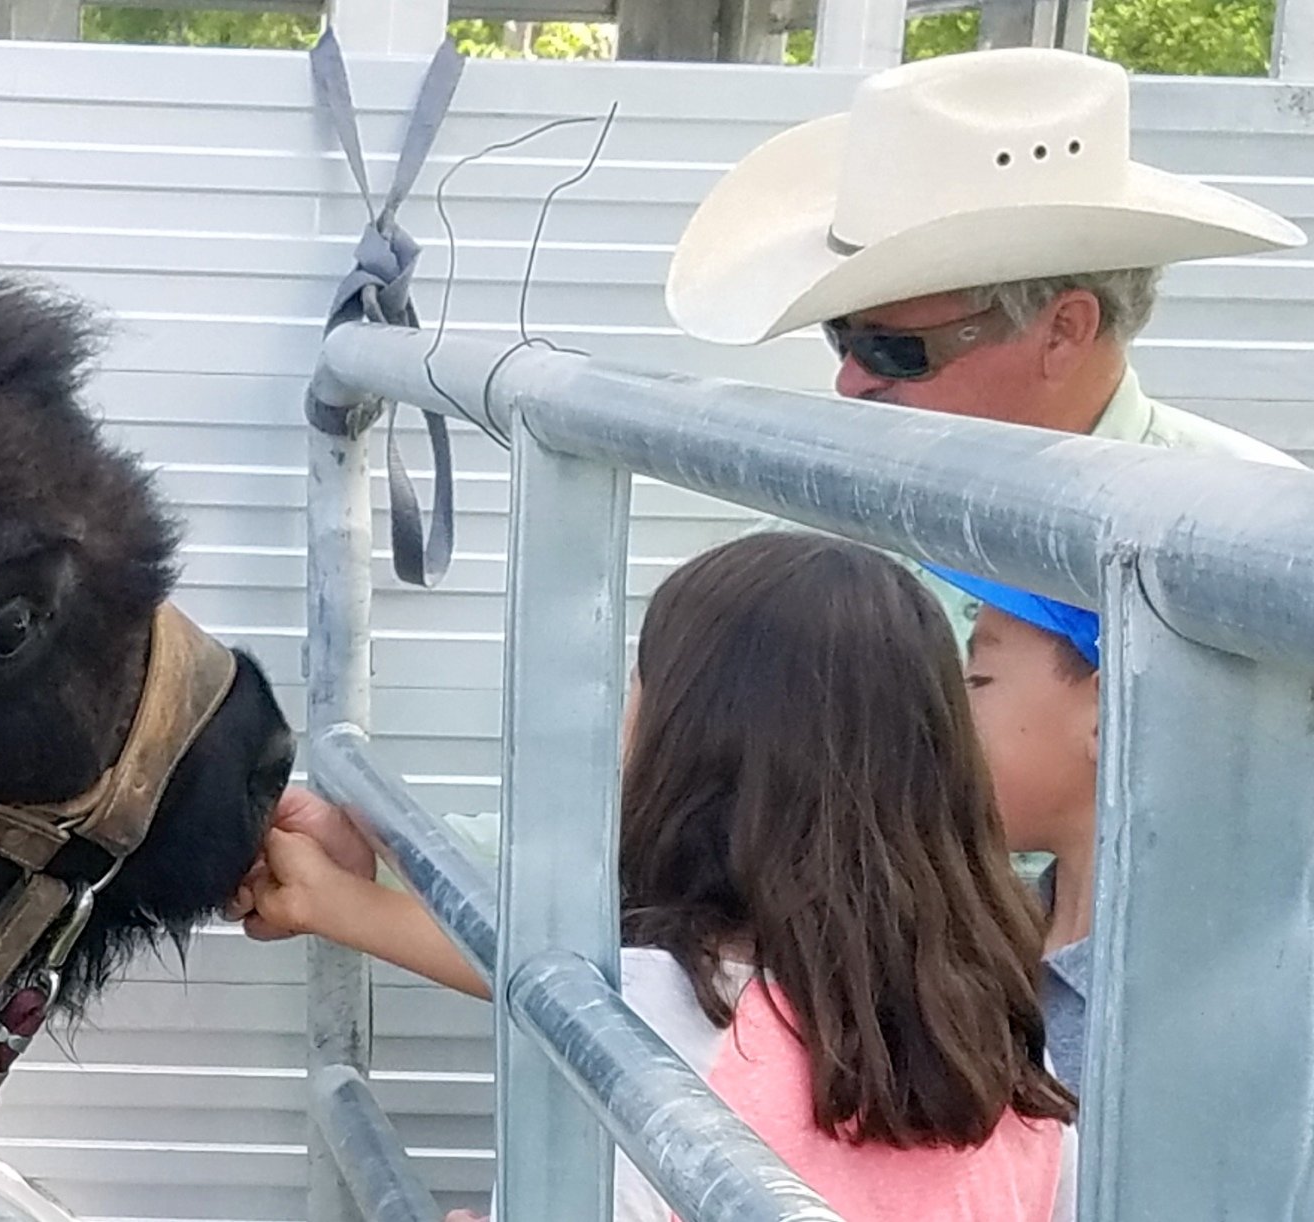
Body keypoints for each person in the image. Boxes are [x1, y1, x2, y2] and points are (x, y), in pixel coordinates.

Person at [237, 533, 1078, 1222]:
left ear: (683, 744)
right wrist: (344, 896)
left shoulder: (629, 1038)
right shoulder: (1009, 1054)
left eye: (642, 685)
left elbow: (629, 993)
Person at [662, 46, 1306, 644]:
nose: (851, 382)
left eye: (894, 348)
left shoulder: (1262, 550)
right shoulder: (801, 555)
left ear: (1064, 331)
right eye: (841, 336)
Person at [920, 566, 1101, 1098]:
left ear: (1103, 714)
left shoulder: (1194, 1014)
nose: (947, 715)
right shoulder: (985, 939)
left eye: (979, 680)